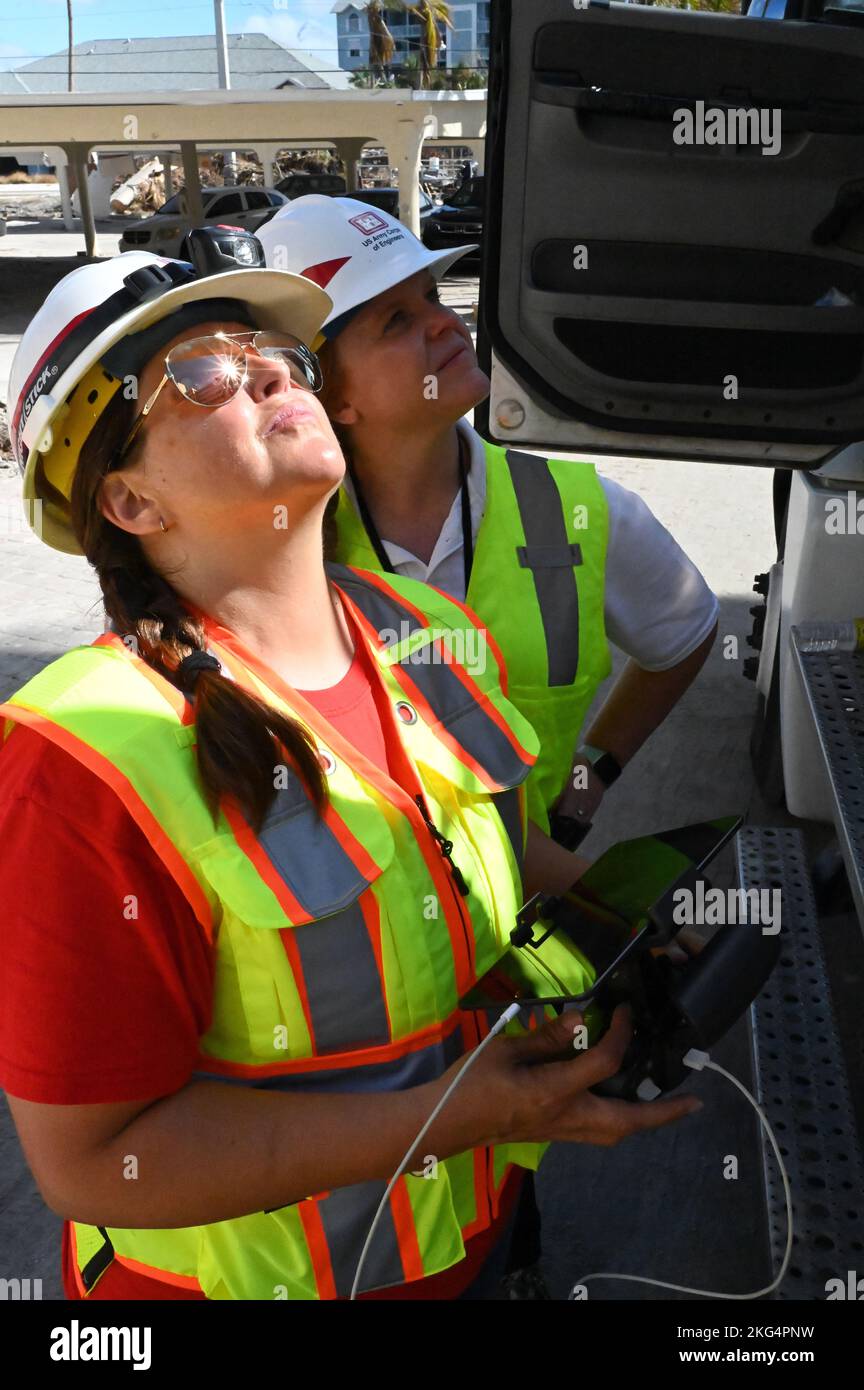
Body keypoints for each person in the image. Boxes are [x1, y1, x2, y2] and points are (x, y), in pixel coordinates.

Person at [0, 247, 700, 1302]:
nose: (273, 373)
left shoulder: (426, 633)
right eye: (199, 373)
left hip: (466, 1245)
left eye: (273, 352)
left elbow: (496, 848)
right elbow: (99, 1161)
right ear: (132, 502)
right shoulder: (83, 759)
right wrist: (474, 1110)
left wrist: (627, 919)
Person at [257, 196, 720, 1292]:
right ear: (327, 394)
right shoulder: (277, 553)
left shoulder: (579, 503)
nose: (445, 322)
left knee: (511, 1172)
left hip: (531, 920)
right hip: (378, 963)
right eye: (393, 319)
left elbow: (689, 631)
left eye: (435, 296)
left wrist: (592, 782)